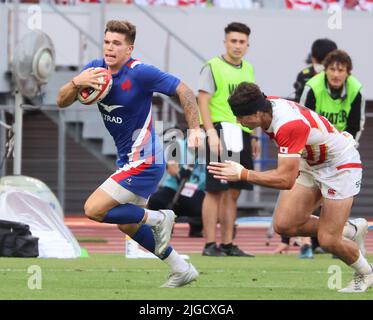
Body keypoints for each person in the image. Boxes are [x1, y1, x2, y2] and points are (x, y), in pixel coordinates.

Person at [56, 20, 204, 288]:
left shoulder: (140, 72)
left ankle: (160, 218)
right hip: (128, 159)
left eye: (117, 44)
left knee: (93, 209)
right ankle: (181, 268)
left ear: (129, 48)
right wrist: (77, 82)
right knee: (128, 225)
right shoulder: (93, 70)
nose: (110, 48)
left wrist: (195, 129)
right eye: (107, 42)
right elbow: (61, 101)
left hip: (147, 159)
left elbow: (184, 90)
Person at [208, 82, 372, 293]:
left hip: (338, 165)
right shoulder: (268, 107)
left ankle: (366, 273)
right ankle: (351, 229)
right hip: (311, 162)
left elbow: (286, 180)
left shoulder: (287, 124)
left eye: (241, 116)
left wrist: (242, 174)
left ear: (257, 113)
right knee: (284, 224)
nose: (238, 121)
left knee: (328, 240)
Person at [198, 22, 259, 257]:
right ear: (225, 42)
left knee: (233, 191)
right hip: (220, 130)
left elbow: (252, 104)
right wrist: (210, 132)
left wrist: (253, 135)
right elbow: (202, 100)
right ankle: (210, 244)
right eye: (233, 41)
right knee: (215, 190)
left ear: (247, 45)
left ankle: (227, 243)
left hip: (241, 132)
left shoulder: (249, 70)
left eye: (242, 42)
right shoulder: (212, 66)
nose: (237, 45)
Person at [276, 38, 338, 257]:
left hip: (331, 142)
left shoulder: (338, 79)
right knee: (297, 188)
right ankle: (302, 242)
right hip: (306, 139)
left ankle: (327, 239)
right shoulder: (306, 77)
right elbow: (301, 108)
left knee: (328, 193)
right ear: (315, 59)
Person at [148, 131, 205, 237]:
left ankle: (197, 227)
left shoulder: (210, 151)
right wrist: (180, 174)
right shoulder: (178, 144)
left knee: (204, 203)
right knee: (156, 200)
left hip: (196, 191)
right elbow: (171, 166)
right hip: (174, 189)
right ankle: (163, 226)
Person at [300, 49, 365, 143]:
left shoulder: (356, 90)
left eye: (341, 70)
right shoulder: (312, 87)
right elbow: (303, 122)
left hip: (343, 143)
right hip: (315, 141)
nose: (336, 75)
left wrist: (348, 147)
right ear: (325, 70)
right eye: (332, 69)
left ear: (348, 73)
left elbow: (355, 126)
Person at [293, 38, 337, 102]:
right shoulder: (303, 76)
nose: (322, 67)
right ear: (312, 58)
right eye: (319, 62)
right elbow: (298, 102)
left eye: (326, 64)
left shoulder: (340, 78)